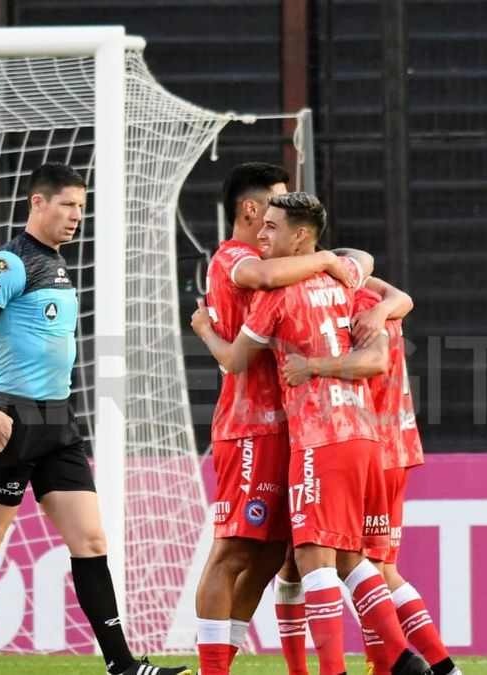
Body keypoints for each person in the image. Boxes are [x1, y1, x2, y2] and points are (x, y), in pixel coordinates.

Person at [0, 163, 190, 675]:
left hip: (60, 424)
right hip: (14, 422)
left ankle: (122, 666)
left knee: (91, 541)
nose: (77, 215)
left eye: (81, 205)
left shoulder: (58, 263)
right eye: (68, 204)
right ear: (37, 203)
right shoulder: (8, 262)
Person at [191, 192, 435, 675]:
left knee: (303, 557)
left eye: (274, 224)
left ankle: (341, 669)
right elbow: (391, 311)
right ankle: (413, 661)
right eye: (261, 220)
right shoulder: (342, 281)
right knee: (332, 557)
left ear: (298, 235)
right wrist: (377, 303)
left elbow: (237, 359)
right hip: (368, 436)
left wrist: (202, 327)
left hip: (312, 436)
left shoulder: (275, 290)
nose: (263, 231)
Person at [193, 162, 365, 675]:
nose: (273, 219)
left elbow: (363, 265)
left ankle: (226, 649)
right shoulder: (235, 258)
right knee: (233, 549)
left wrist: (332, 261)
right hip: (248, 424)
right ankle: (212, 668)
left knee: (271, 555)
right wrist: (328, 260)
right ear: (252, 209)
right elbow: (267, 278)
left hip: (291, 425)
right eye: (271, 208)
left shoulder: (288, 264)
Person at [282, 285, 461, 675]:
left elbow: (375, 361)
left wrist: (311, 366)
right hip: (396, 447)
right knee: (379, 568)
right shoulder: (380, 306)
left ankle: (391, 663)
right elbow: (402, 296)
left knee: (324, 560)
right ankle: (436, 668)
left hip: (362, 444)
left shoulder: (352, 309)